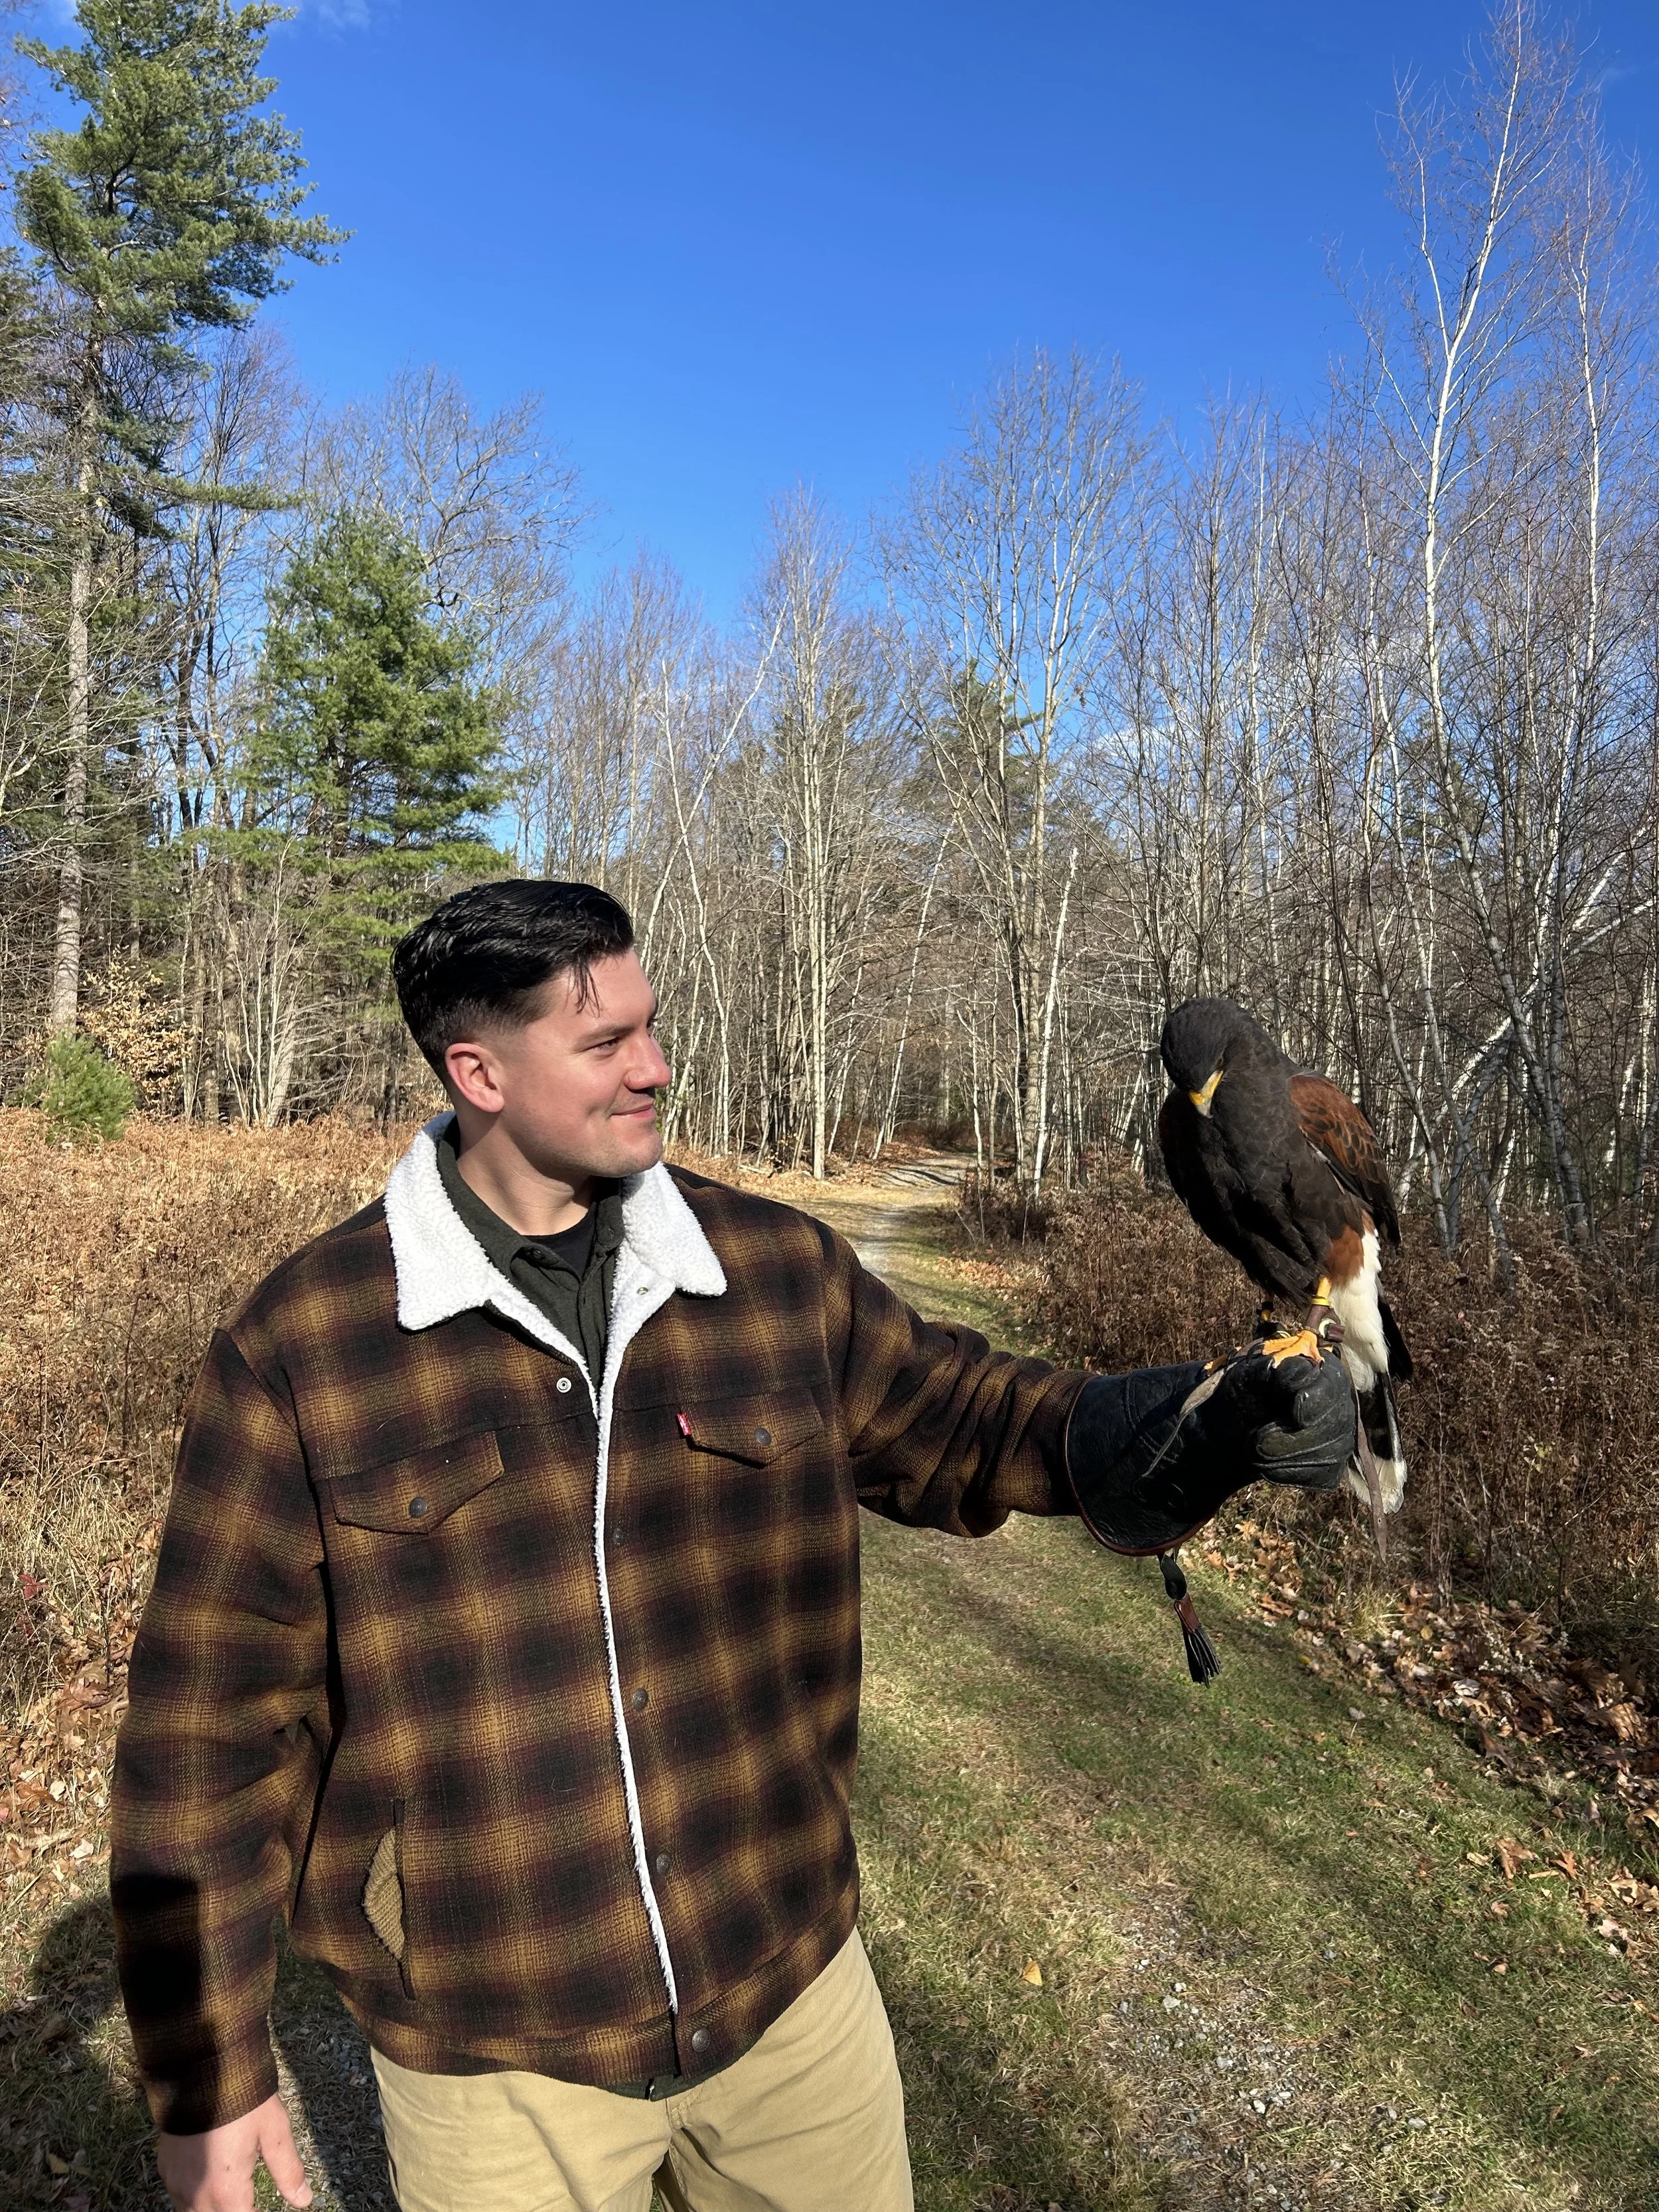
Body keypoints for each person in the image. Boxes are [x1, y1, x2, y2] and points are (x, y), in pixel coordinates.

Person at [111, 879, 1356, 2212]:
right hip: (492, 2063)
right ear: (477, 1070)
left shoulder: (767, 1272)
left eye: (648, 1025)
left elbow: (971, 1418)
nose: (653, 1065)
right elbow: (211, 1725)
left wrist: (1193, 1422)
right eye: (603, 1045)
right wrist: (210, 2073)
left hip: (792, 2005)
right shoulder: (307, 1346)